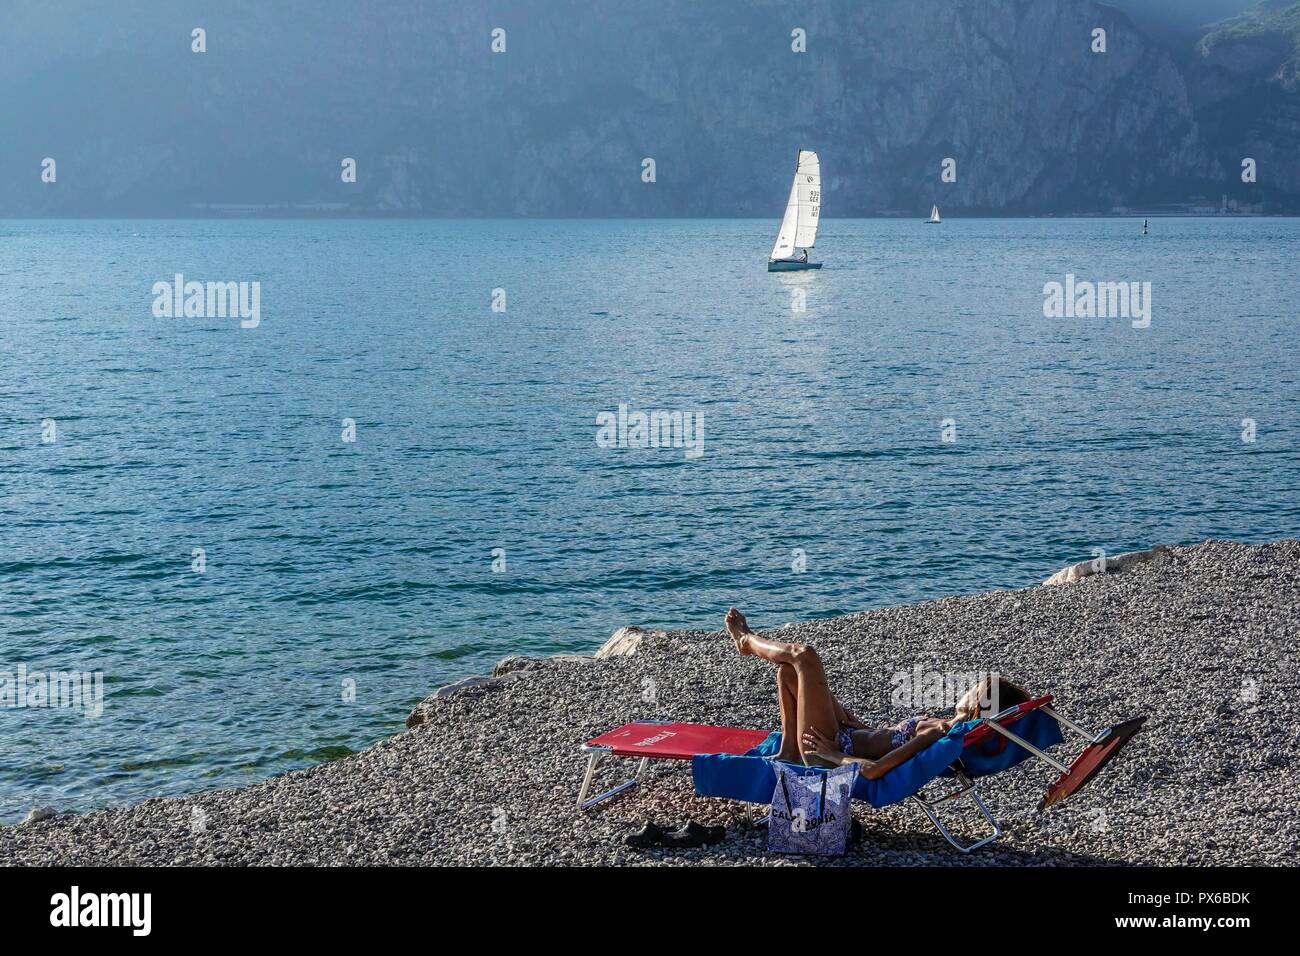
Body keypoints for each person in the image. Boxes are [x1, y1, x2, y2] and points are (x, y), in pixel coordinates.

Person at [723, 607, 1031, 777]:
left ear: (981, 701)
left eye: (975, 688)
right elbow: (885, 746)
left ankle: (746, 641)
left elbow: (874, 770)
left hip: (827, 752)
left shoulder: (940, 731)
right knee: (789, 671)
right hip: (843, 736)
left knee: (804, 656)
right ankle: (789, 749)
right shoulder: (948, 729)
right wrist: (859, 727)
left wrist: (836, 755)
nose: (968, 688)